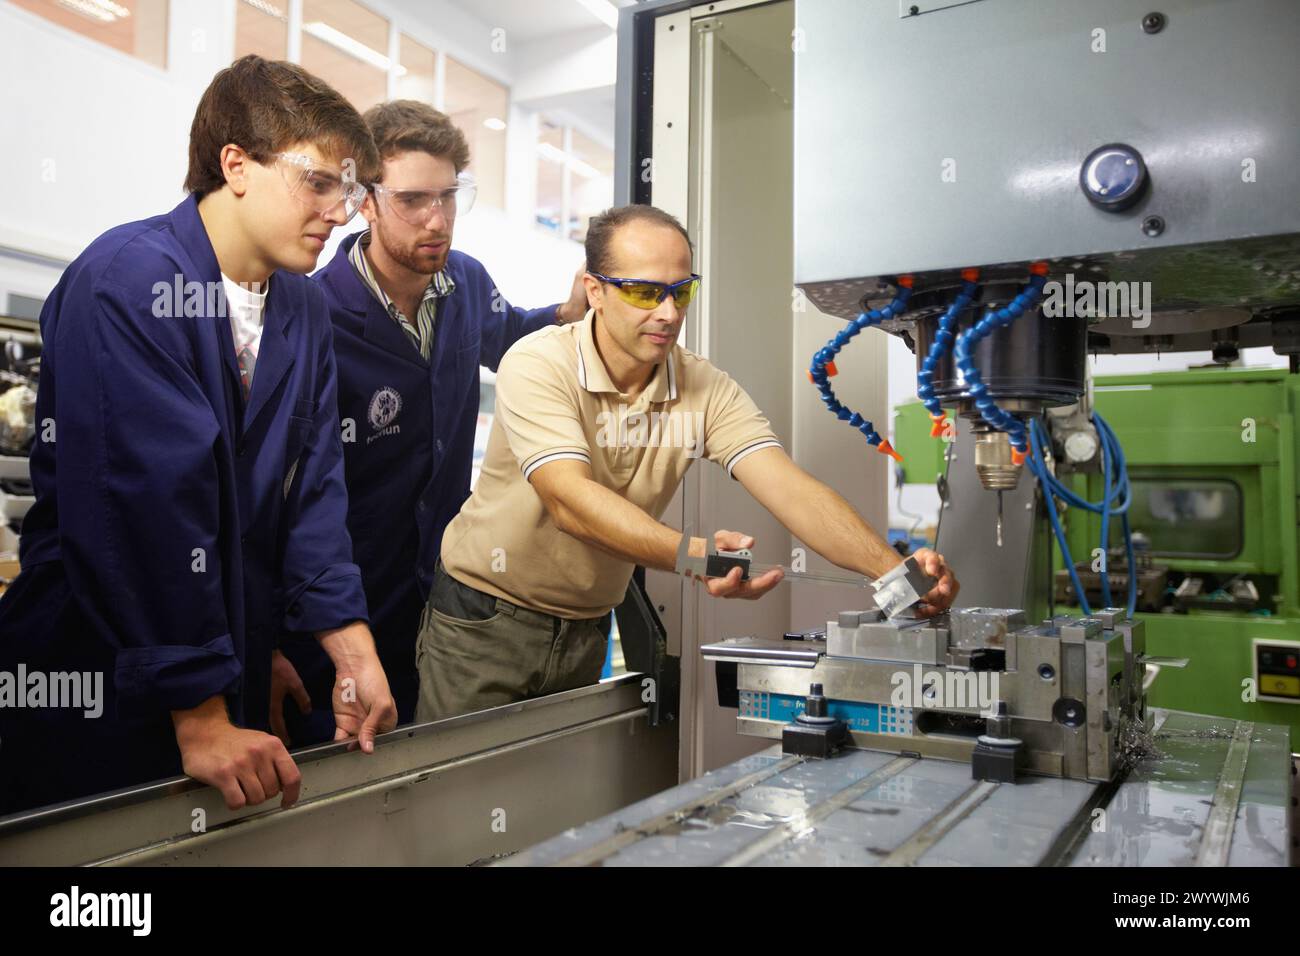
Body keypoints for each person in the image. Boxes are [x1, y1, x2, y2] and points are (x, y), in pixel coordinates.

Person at [0, 55, 397, 815]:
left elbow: (312, 492)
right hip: (102, 666)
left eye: (351, 189)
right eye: (319, 182)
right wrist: (201, 708)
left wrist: (349, 651)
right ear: (236, 164)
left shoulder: (302, 308)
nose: (342, 211)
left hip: (215, 661)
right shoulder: (129, 280)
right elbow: (146, 509)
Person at [416, 204, 959, 722]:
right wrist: (699, 558)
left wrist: (897, 572)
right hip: (484, 620)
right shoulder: (539, 363)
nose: (669, 313)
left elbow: (789, 488)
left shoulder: (703, 386)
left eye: (682, 291)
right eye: (645, 292)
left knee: (551, 804)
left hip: (586, 627)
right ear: (595, 291)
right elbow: (570, 502)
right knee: (452, 800)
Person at [273, 101, 587, 743]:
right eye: (413, 199)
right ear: (364, 199)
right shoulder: (314, 314)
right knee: (336, 780)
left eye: (449, 197)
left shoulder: (465, 284)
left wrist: (570, 311)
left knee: (427, 775)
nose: (437, 220)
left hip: (441, 600)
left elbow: (512, 338)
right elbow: (285, 493)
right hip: (337, 606)